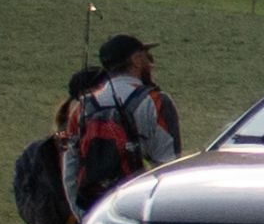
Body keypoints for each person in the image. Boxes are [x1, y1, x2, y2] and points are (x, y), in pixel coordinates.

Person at [60, 36, 179, 211]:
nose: (151, 64)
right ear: (136, 61)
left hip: (94, 208)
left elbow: (70, 170)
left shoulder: (82, 107)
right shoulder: (155, 102)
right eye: (147, 57)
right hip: (135, 206)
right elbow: (168, 167)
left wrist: (83, 217)